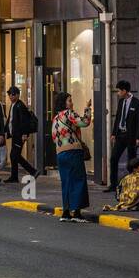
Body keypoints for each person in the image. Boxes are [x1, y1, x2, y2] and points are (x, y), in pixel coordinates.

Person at [52, 92, 92, 222]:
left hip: (60, 153)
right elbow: (84, 122)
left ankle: (66, 212)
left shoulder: (55, 118)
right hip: (73, 152)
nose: (72, 103)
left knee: (66, 182)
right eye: (69, 100)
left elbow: (54, 137)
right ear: (64, 103)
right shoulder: (68, 113)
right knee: (78, 180)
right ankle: (77, 213)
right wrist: (87, 108)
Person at [107, 79, 139, 192]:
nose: (118, 93)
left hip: (131, 135)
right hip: (120, 135)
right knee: (113, 158)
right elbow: (118, 118)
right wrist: (114, 133)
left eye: (119, 91)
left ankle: (131, 184)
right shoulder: (121, 102)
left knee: (131, 161)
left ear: (124, 91)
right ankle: (113, 185)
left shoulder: (136, 103)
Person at [4, 86, 38, 183]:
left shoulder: (20, 105)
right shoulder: (14, 105)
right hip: (15, 134)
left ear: (18, 95)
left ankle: (33, 171)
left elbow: (24, 122)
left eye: (13, 94)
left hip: (19, 135)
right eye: (10, 94)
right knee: (13, 155)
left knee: (15, 155)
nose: (11, 96)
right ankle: (14, 177)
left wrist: (24, 134)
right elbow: (10, 120)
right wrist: (6, 131)